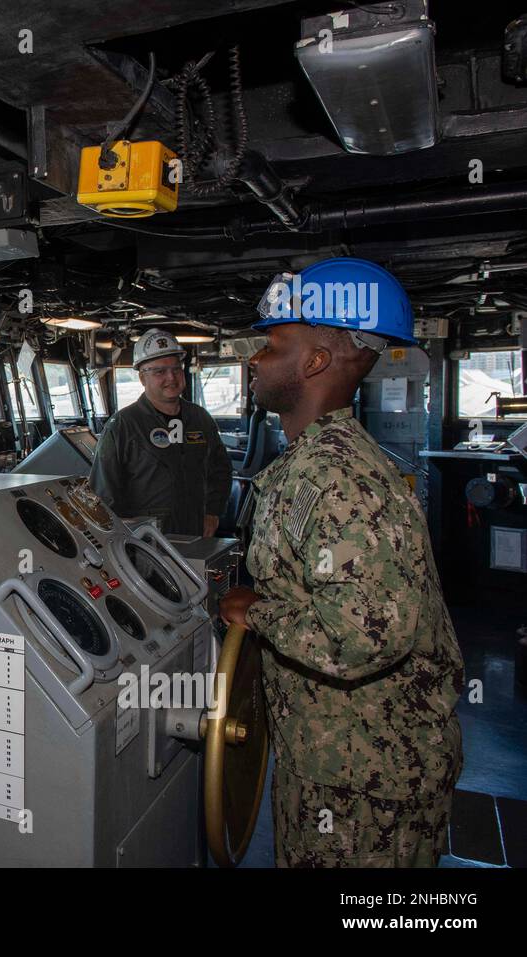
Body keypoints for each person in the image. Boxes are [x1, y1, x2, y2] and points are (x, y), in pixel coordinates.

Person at [219, 257, 463, 867]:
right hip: (330, 756)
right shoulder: (313, 465)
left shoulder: (343, 481)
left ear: (316, 362)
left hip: (369, 785)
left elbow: (360, 637)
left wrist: (258, 613)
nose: (254, 359)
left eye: (272, 344)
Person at [88, 329, 233, 535]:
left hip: (196, 533)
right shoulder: (123, 425)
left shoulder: (200, 418)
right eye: (159, 372)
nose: (171, 378)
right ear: (142, 378)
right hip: (146, 542)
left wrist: (213, 512)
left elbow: (221, 470)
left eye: (176, 369)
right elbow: (103, 493)